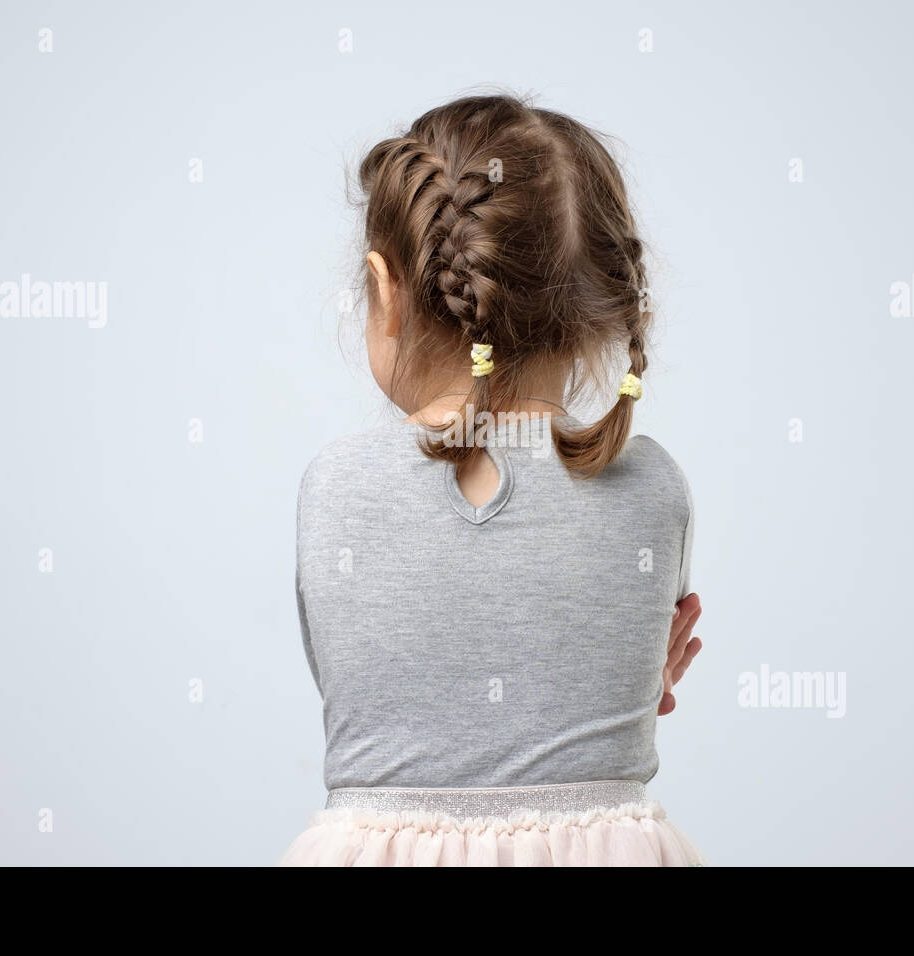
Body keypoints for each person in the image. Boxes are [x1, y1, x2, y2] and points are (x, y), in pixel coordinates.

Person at [282, 94, 704, 866]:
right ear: (603, 310)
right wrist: (630, 677)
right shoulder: (651, 490)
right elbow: (608, 672)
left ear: (385, 293)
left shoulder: (336, 488)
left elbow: (366, 680)